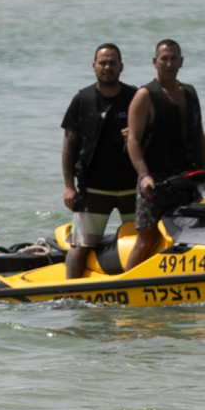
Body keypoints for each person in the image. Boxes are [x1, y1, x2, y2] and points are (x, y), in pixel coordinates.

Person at [122, 39, 205, 271]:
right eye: (164, 59)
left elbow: (199, 135)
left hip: (188, 177)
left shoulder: (189, 93)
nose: (169, 63)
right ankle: (126, 285)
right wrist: (144, 176)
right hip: (156, 181)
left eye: (173, 58)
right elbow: (132, 140)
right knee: (146, 239)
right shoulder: (145, 95)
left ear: (181, 62)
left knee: (194, 235)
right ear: (155, 62)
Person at [60, 44, 139, 280]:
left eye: (112, 63)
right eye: (102, 62)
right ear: (94, 66)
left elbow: (154, 136)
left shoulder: (134, 96)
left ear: (121, 67)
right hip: (94, 187)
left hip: (131, 187)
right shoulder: (82, 99)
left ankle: (139, 287)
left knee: (144, 242)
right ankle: (69, 295)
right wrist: (68, 186)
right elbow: (69, 144)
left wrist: (137, 135)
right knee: (80, 246)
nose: (107, 67)